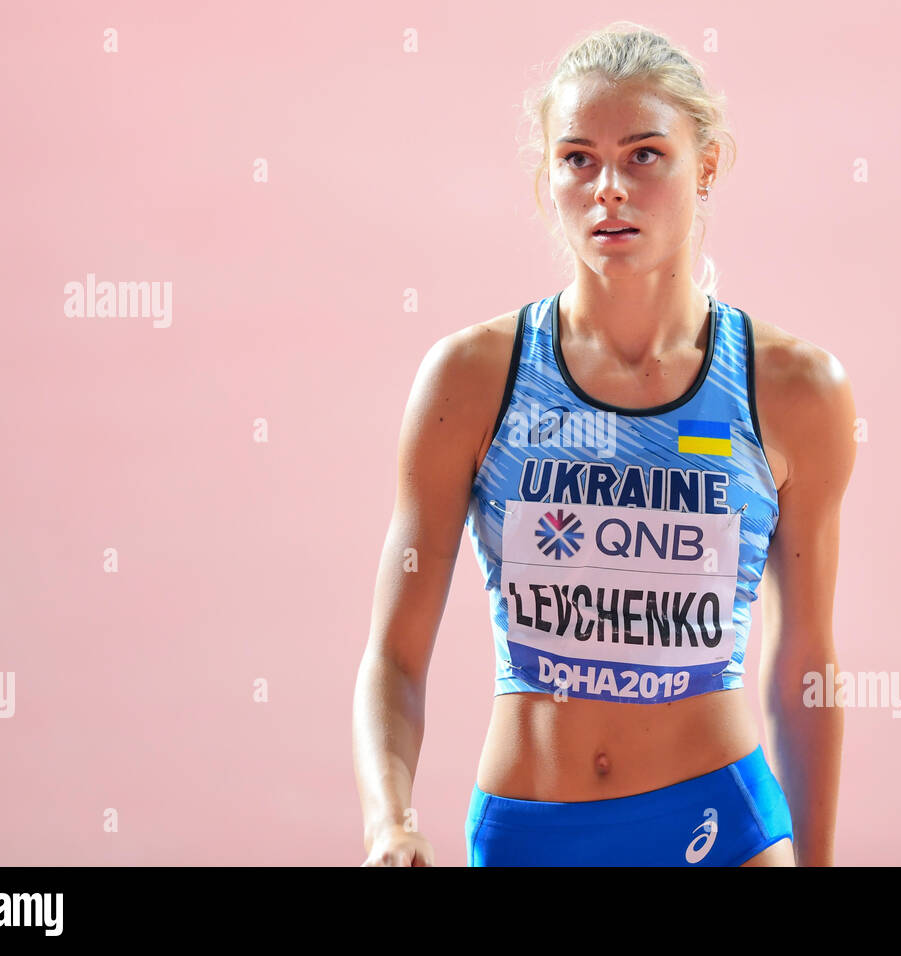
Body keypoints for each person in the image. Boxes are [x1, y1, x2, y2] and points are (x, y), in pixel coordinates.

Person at [354, 21, 857, 866]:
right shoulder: (472, 379)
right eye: (578, 158)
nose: (609, 189)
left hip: (720, 824)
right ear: (547, 176)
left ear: (706, 167)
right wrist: (389, 823)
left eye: (645, 155)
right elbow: (393, 657)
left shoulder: (795, 389)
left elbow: (806, 663)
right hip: (530, 831)